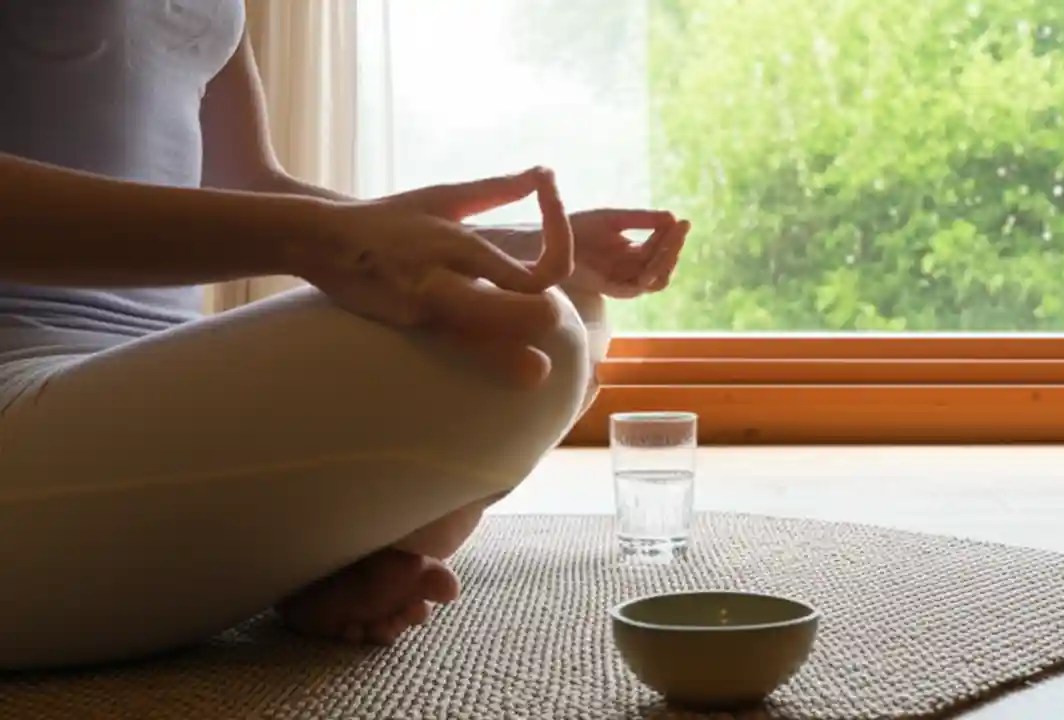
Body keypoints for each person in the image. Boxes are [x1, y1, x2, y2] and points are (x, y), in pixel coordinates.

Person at [0, 1, 689, 669]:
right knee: (547, 339)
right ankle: (320, 556)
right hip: (16, 376)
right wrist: (322, 242)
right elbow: (306, 233)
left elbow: (251, 181)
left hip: (132, 373)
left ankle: (311, 564)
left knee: (562, 306)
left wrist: (516, 250)